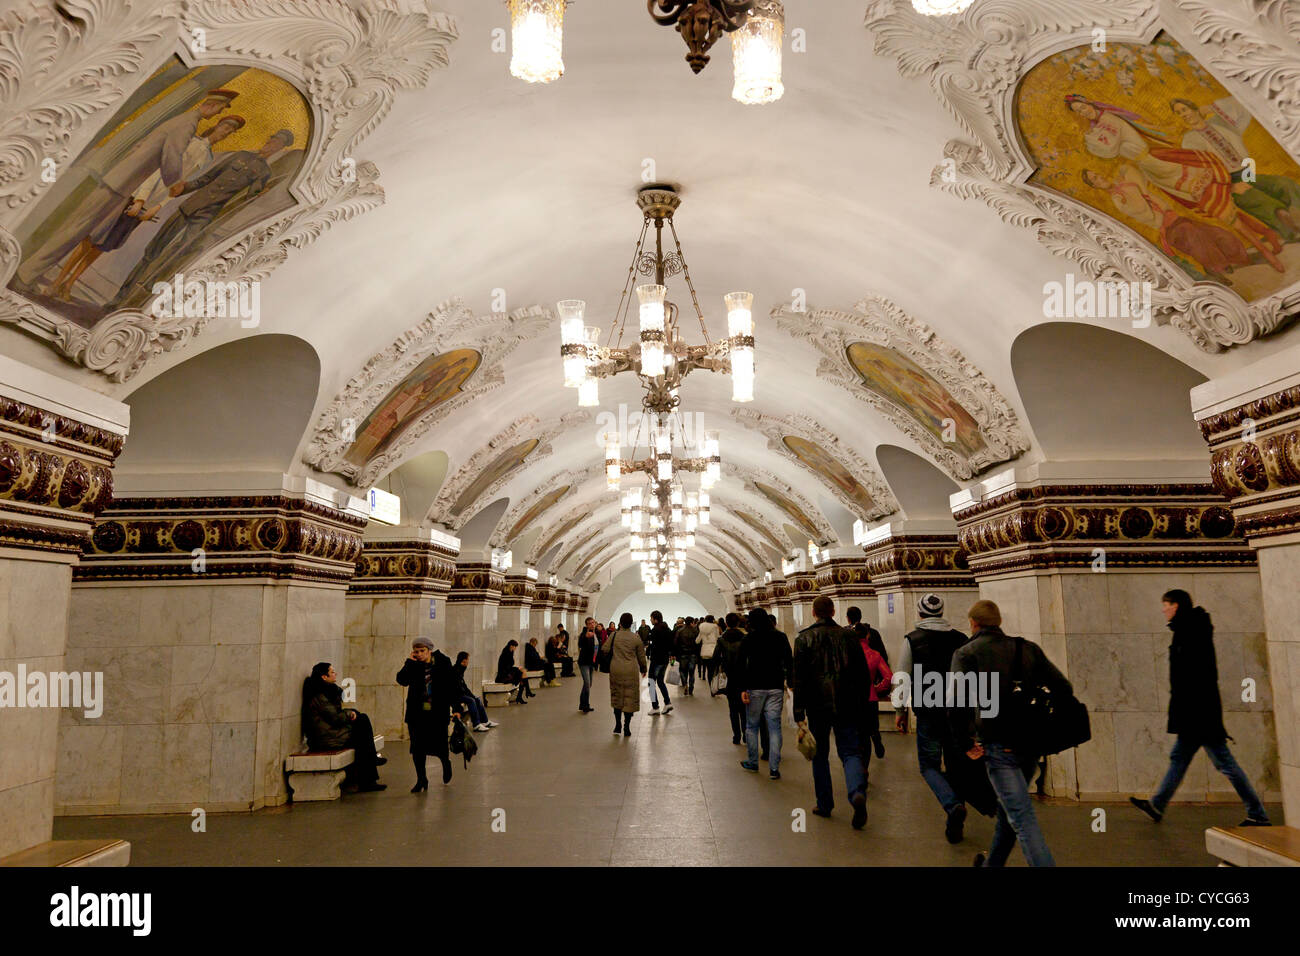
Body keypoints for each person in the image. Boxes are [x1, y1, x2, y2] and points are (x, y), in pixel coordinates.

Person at [1131, 590, 1271, 827]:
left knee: (1223, 762)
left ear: (1177, 606)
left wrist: (1190, 713)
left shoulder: (1190, 632)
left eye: (1166, 605)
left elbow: (1196, 678)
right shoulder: (1190, 629)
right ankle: (1157, 804)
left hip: (1198, 715)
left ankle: (1257, 813)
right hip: (1196, 713)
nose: (1163, 610)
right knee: (1181, 758)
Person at [951, 600, 1067, 867]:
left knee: (1022, 817)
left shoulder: (967, 653)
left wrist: (964, 742)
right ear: (998, 622)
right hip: (1030, 742)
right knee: (1009, 810)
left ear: (974, 623)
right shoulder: (1026, 649)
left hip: (998, 745)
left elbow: (957, 704)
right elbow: (1062, 687)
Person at [894, 593, 971, 844]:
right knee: (956, 765)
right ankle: (955, 815)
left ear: (920, 614)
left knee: (929, 765)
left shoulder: (912, 640)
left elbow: (903, 678)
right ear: (941, 613)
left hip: (928, 712)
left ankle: (951, 805)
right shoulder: (961, 639)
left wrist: (900, 712)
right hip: (957, 712)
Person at [793, 596, 870, 828]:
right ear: (834, 611)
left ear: (814, 613)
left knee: (820, 755)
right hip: (848, 703)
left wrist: (799, 710)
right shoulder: (849, 636)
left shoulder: (804, 638)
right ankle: (857, 792)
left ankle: (824, 803)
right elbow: (862, 673)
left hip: (818, 705)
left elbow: (800, 678)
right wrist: (862, 702)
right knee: (850, 752)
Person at [301, 662, 386, 792]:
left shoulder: (327, 691)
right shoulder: (320, 696)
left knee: (362, 722)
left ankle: (368, 778)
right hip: (328, 739)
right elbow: (335, 718)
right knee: (362, 732)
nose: (336, 674)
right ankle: (368, 779)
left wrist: (351, 713)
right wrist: (349, 714)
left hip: (333, 734)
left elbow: (334, 715)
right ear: (324, 677)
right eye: (332, 672)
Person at [396, 638, 459, 792]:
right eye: (416, 652)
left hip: (437, 712)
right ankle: (421, 779)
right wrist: (409, 662)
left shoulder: (443, 662)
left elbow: (452, 686)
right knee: (417, 748)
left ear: (429, 650)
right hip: (417, 713)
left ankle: (446, 763)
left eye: (422, 651)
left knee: (441, 744)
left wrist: (456, 708)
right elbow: (402, 680)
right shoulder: (413, 665)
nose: (419, 654)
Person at [739, 608, 792, 780]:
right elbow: (789, 661)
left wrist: (742, 688)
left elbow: (741, 664)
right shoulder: (780, 637)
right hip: (775, 686)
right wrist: (790, 683)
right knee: (774, 727)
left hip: (755, 687)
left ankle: (753, 762)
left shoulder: (749, 639)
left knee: (752, 726)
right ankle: (774, 768)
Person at [846, 606, 888, 759]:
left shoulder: (845, 637)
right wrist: (877, 687)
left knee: (858, 731)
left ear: (847, 618)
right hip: (870, 691)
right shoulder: (874, 638)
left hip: (852, 695)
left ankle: (862, 766)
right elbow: (887, 671)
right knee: (872, 724)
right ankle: (876, 739)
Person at [856, 622, 893, 789]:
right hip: (870, 698)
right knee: (867, 734)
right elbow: (888, 677)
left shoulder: (846, 655)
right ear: (868, 636)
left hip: (851, 700)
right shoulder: (875, 654)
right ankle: (864, 767)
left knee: (855, 735)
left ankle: (856, 768)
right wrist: (877, 689)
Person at [606, 612, 648, 736]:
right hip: (631, 671)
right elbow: (641, 656)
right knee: (629, 698)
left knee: (617, 696)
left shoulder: (614, 635)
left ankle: (617, 724)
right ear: (631, 623)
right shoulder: (636, 638)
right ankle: (627, 727)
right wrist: (643, 669)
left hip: (616, 669)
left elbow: (604, 649)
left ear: (620, 622)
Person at [716, 613, 750, 746]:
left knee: (732, 709)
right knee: (744, 708)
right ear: (738, 623)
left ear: (726, 623)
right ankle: (746, 734)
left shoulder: (722, 639)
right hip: (743, 675)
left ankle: (736, 736)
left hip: (730, 677)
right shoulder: (745, 638)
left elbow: (715, 657)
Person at [452, 652, 497, 732]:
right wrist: (470, 696)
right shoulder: (456, 670)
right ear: (464, 660)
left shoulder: (460, 669)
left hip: (459, 693)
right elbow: (458, 688)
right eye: (468, 659)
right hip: (454, 695)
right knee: (471, 700)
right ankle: (476, 725)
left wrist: (472, 695)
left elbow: (463, 686)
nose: (468, 662)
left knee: (477, 699)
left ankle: (485, 721)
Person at [646, 610, 675, 715]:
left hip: (656, 660)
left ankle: (655, 706)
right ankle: (667, 703)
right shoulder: (667, 629)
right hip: (664, 659)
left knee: (651, 682)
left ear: (655, 619)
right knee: (660, 681)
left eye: (651, 618)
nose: (650, 620)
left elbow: (654, 645)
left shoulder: (655, 630)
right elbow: (671, 643)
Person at [496, 639, 532, 704]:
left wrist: (517, 668)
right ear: (511, 646)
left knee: (522, 673)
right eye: (514, 646)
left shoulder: (510, 653)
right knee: (522, 673)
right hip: (504, 676)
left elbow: (509, 666)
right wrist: (517, 668)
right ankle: (525, 693)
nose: (515, 648)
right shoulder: (505, 653)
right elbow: (505, 667)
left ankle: (523, 694)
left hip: (508, 672)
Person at [577, 618, 599, 713]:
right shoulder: (584, 633)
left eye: (593, 623)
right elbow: (580, 643)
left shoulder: (595, 634)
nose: (592, 625)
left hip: (591, 662)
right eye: (589, 623)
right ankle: (586, 705)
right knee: (587, 684)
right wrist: (585, 637)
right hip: (584, 663)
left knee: (588, 684)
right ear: (586, 625)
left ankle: (582, 704)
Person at [674, 616, 700, 696]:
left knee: (682, 671)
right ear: (692, 622)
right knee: (691, 673)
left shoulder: (680, 631)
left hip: (682, 654)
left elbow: (676, 643)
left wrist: (675, 653)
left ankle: (685, 684)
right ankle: (691, 688)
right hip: (692, 654)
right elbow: (698, 643)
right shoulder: (696, 631)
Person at [697, 614, 721, 691]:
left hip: (704, 651)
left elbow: (697, 640)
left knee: (708, 670)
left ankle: (711, 686)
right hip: (713, 650)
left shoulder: (701, 627)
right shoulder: (715, 627)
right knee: (714, 670)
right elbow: (718, 637)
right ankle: (714, 687)